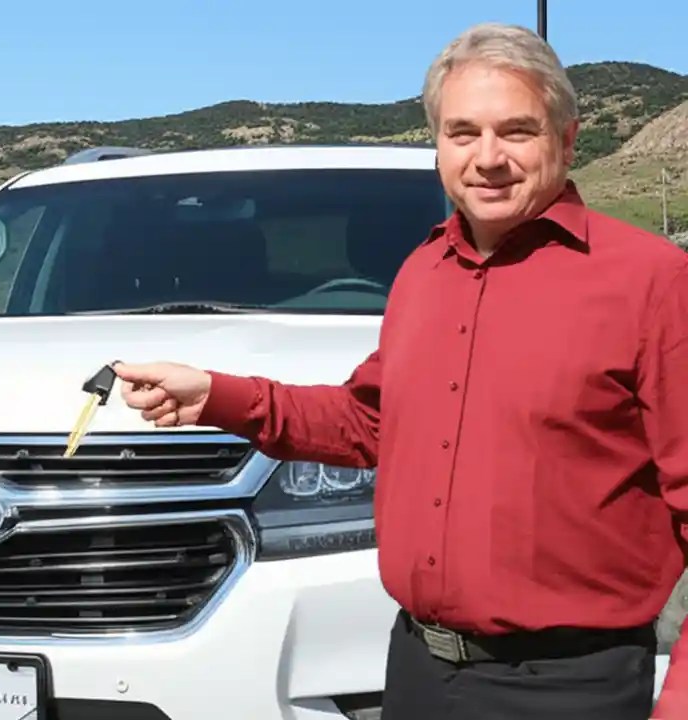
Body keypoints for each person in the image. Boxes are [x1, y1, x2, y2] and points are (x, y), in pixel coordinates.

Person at [113, 21, 688, 720]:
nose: (488, 158)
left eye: (516, 131)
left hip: (566, 687)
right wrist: (220, 397)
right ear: (438, 143)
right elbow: (371, 421)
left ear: (567, 140)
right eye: (462, 132)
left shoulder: (652, 282)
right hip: (417, 669)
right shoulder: (424, 274)